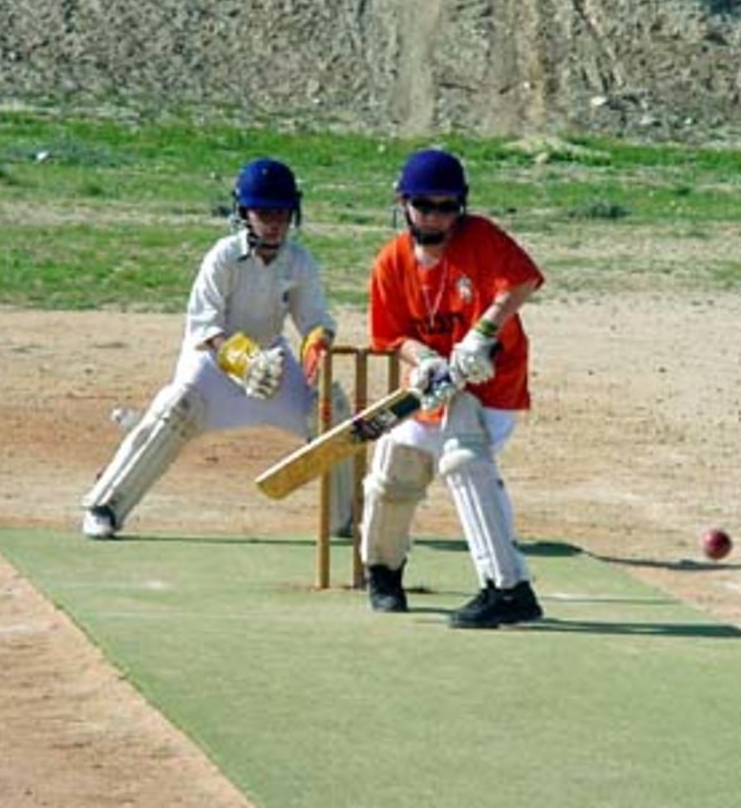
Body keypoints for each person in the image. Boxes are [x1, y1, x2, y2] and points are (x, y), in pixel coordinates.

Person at [80, 157, 351, 539]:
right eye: (264, 213)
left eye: (282, 212)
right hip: (212, 365)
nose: (274, 223)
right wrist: (242, 360)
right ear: (244, 213)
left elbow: (315, 321)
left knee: (330, 410)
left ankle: (346, 516)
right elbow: (205, 326)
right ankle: (105, 506)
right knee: (176, 407)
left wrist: (315, 349)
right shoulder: (223, 256)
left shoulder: (298, 261)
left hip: (271, 365)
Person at [359, 148, 545, 629]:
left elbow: (523, 281)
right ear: (403, 203)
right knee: (396, 465)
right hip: (435, 385)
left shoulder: (479, 237)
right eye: (424, 205)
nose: (436, 217)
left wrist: (483, 332)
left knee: (463, 459)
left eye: (447, 207)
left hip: (491, 383)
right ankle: (383, 572)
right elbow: (391, 336)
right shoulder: (391, 263)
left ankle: (508, 589)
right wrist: (424, 360)